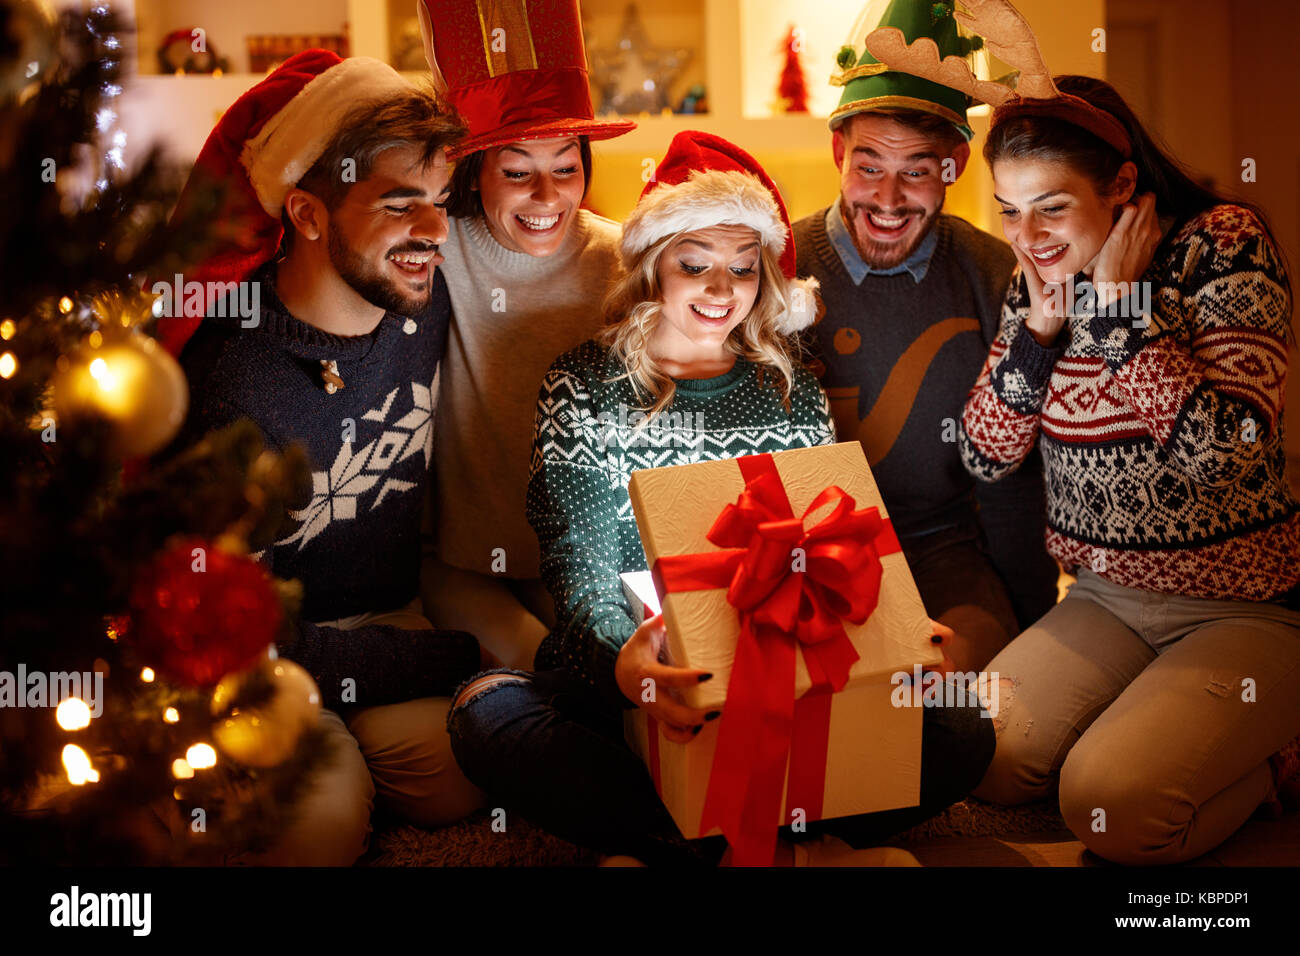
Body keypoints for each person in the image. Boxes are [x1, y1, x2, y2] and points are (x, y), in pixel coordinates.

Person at [445, 131, 994, 866]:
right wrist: (629, 668)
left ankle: (681, 850)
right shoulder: (585, 386)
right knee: (488, 714)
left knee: (964, 727)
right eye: (694, 264)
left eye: (742, 267)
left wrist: (891, 634)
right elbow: (579, 571)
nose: (721, 290)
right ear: (650, 269)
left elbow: (836, 547)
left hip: (784, 675)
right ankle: (798, 851)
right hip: (651, 684)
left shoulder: (788, 383)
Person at [870, 0, 1300, 864]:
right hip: (1103, 599)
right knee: (982, 759)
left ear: (1125, 188)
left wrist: (1112, 309)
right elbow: (988, 453)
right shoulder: (1034, 283)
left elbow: (1222, 457)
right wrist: (1038, 332)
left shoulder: (1222, 244)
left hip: (1244, 609)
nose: (1027, 240)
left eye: (1052, 208)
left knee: (1112, 809)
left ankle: (1275, 757)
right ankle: (1165, 718)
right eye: (1007, 211)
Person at [159, 51, 488, 865]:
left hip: (383, 614)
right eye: (401, 204)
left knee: (466, 779)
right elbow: (236, 631)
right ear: (307, 215)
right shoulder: (232, 388)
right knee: (317, 830)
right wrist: (451, 654)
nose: (437, 232)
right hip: (262, 659)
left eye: (441, 202)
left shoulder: (420, 297)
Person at [793, 0, 1060, 674]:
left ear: (955, 165)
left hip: (945, 555)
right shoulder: (771, 265)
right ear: (836, 152)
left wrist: (1032, 622)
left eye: (917, 169)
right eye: (869, 164)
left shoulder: (994, 276)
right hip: (800, 560)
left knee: (937, 698)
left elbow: (1013, 473)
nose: (887, 198)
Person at [415, 0, 636, 670]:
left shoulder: (626, 259)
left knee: (613, 675)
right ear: (474, 170)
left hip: (587, 559)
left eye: (565, 167)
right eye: (516, 171)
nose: (546, 195)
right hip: (463, 563)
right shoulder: (435, 247)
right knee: (549, 673)